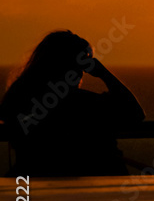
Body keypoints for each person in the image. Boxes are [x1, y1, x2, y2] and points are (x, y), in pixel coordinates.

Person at [0, 30, 145, 177]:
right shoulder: (86, 105)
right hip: (97, 187)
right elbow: (135, 114)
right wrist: (103, 73)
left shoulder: (18, 98)